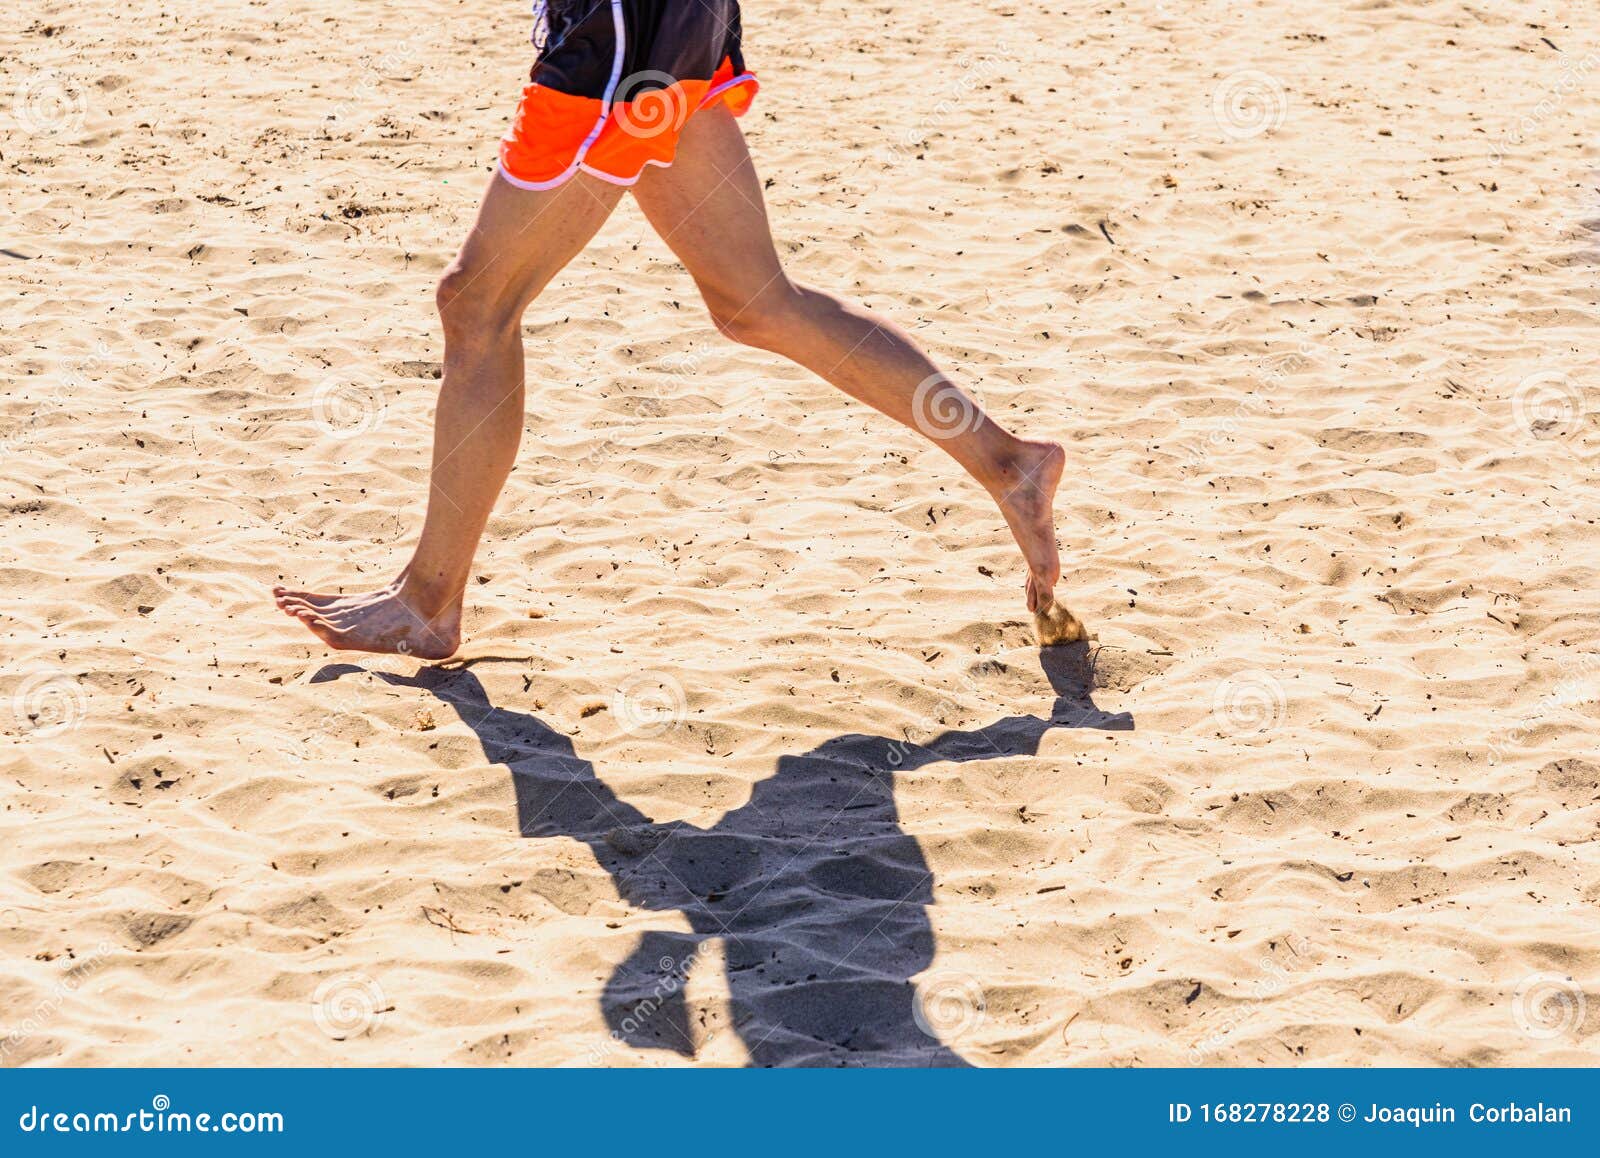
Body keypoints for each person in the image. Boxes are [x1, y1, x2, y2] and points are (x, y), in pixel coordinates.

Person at [274, 0, 1066, 659]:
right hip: (667, 24)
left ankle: (428, 601)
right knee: (756, 302)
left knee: (479, 303)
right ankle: (1008, 465)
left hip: (626, 31)